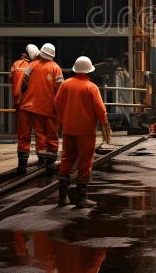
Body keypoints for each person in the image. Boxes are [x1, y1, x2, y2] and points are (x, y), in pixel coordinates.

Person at [54, 56, 112, 208]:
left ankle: (62, 198)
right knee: (85, 162)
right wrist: (105, 124)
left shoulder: (65, 85)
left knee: (67, 159)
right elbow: (100, 108)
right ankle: (81, 199)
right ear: (89, 71)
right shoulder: (91, 87)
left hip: (68, 129)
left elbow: (57, 103)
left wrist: (62, 120)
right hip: (86, 131)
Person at [17, 43, 63, 173]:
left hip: (27, 107)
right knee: (47, 136)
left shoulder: (30, 66)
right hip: (47, 108)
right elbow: (61, 90)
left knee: (24, 137)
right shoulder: (56, 68)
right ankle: (47, 164)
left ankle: (22, 166)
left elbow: (23, 86)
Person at [11, 44, 39, 109]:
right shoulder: (32, 65)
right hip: (26, 97)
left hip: (16, 94)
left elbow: (10, 77)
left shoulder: (15, 63)